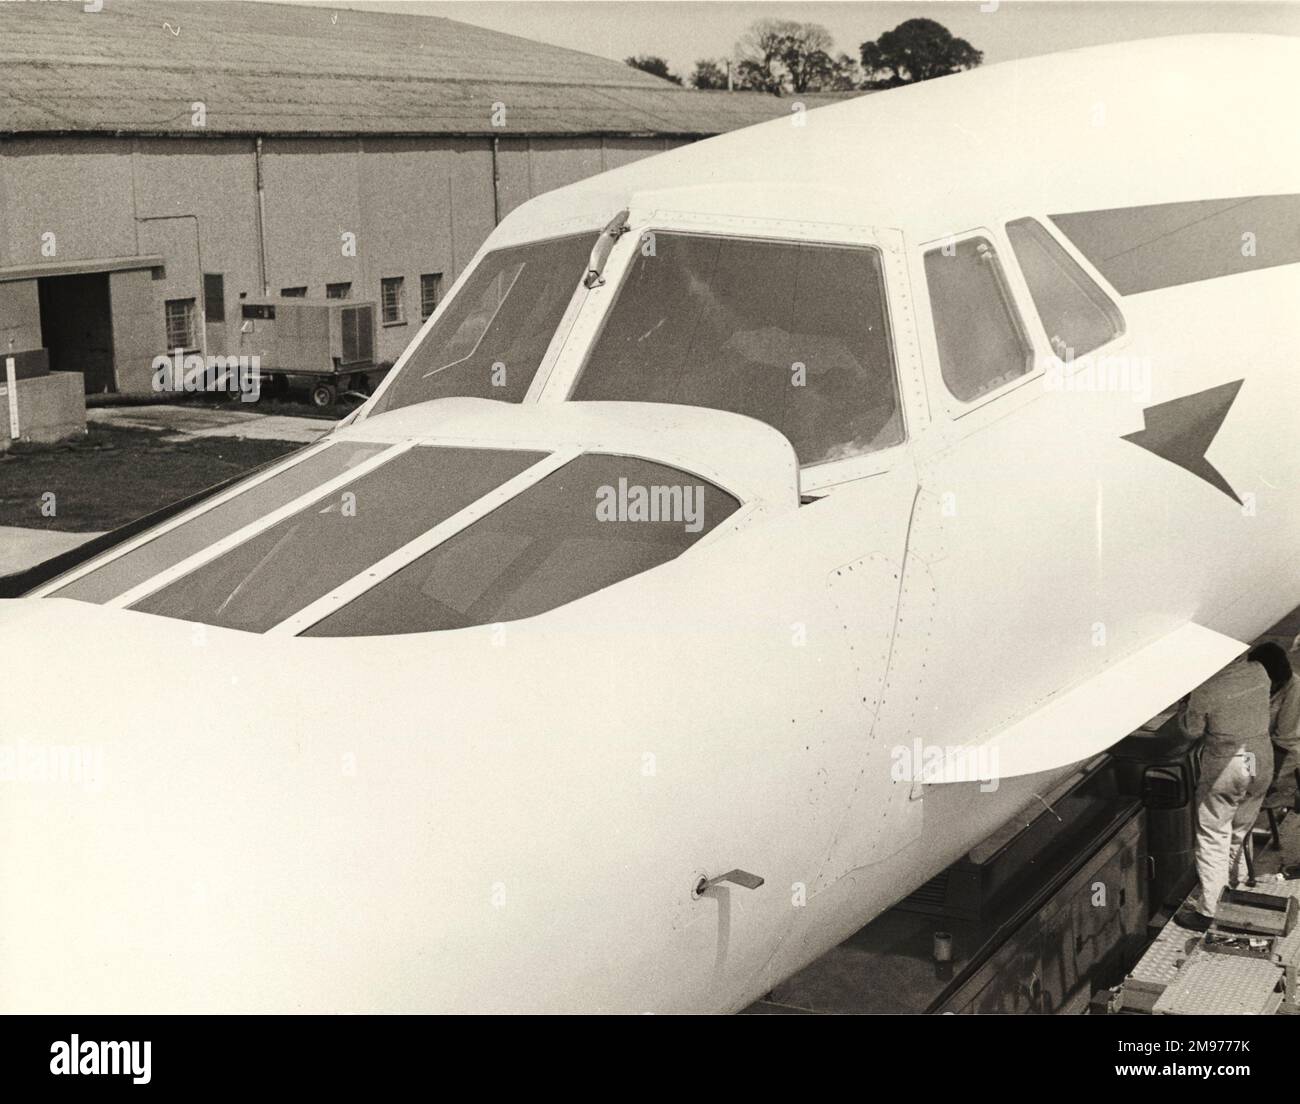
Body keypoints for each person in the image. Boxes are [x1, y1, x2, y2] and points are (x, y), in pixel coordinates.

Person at [1177, 655, 1274, 929]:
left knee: (1213, 833)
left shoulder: (1206, 686)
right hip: (1259, 758)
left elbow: (1192, 730)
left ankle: (1209, 910)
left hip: (1226, 762)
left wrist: (1184, 705)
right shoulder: (1259, 670)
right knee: (1241, 828)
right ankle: (1236, 886)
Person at [1247, 641, 1300, 811]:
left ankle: (1288, 798)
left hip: (1286, 752)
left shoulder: (1295, 689)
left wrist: (1271, 779)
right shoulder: (1250, 681)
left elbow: (1286, 738)